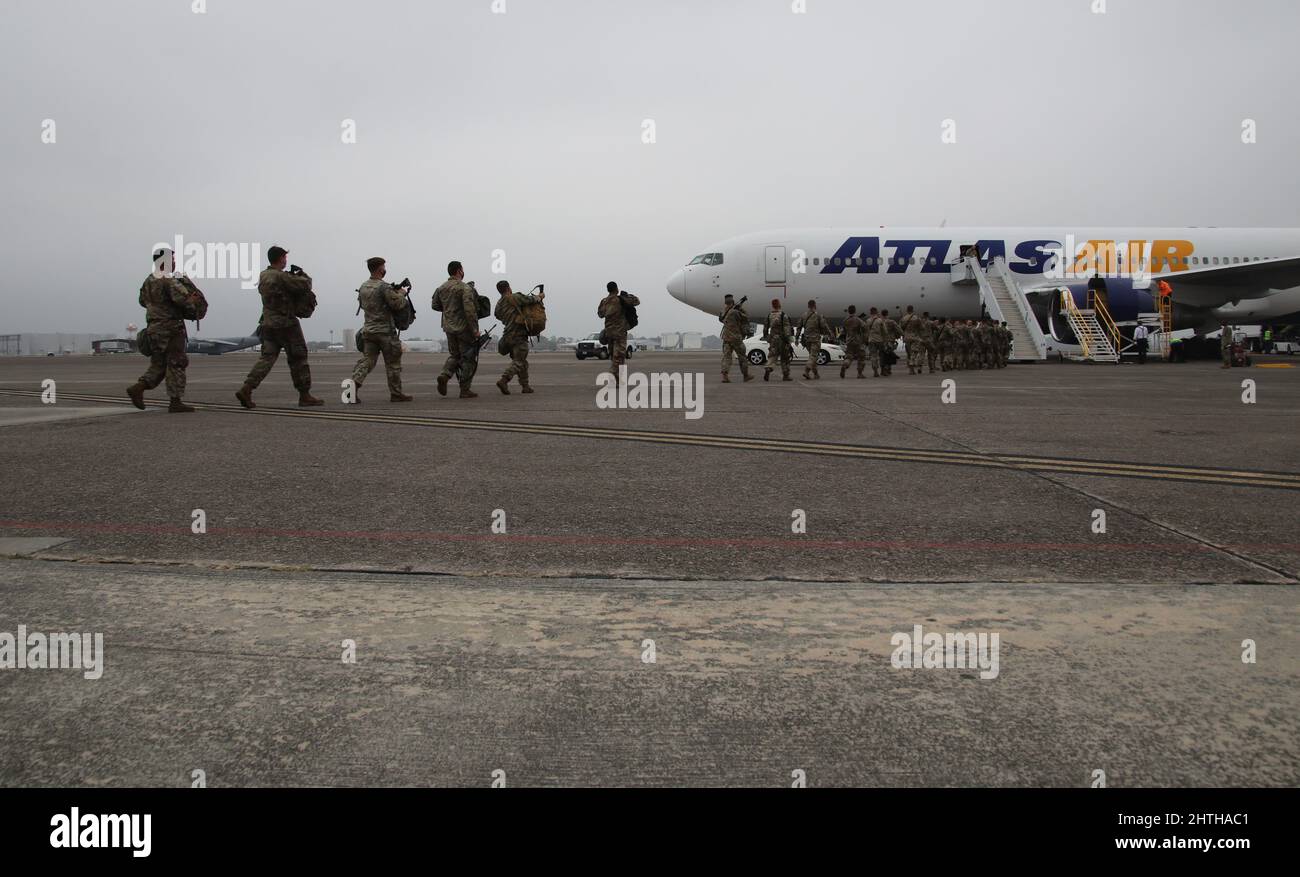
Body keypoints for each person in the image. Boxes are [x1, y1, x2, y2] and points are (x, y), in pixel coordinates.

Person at [236, 245, 322, 409]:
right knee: (298, 359)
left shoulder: (263, 275)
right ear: (281, 258)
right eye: (284, 257)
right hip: (286, 324)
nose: (286, 260)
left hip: (268, 324)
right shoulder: (281, 277)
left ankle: (247, 388)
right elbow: (305, 285)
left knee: (266, 359)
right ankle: (305, 395)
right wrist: (301, 273)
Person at [127, 247, 203, 413]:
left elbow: (142, 301)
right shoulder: (169, 280)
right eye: (173, 260)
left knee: (159, 364)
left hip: (154, 328)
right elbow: (183, 299)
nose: (175, 263)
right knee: (177, 362)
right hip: (170, 329)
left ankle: (138, 388)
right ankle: (175, 401)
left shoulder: (148, 280)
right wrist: (193, 299)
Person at [350, 257, 413, 403]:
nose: (385, 269)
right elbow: (397, 304)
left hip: (369, 330)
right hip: (385, 332)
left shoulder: (363, 286)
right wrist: (402, 294)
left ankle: (354, 383)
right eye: (384, 267)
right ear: (380, 269)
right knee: (393, 363)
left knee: (368, 360)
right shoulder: (384, 287)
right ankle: (396, 394)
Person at [434, 261, 482, 398]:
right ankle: (465, 389)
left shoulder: (441, 288)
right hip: (464, 328)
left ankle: (444, 375)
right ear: (459, 270)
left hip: (448, 327)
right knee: (468, 358)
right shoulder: (464, 288)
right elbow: (470, 310)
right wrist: (475, 329)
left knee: (455, 355)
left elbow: (435, 305)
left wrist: (449, 309)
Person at [494, 280, 543, 394]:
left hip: (507, 336)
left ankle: (525, 386)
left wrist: (508, 319)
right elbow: (530, 299)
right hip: (518, 335)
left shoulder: (499, 304)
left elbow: (497, 315)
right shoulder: (514, 297)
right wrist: (540, 297)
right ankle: (504, 380)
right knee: (519, 361)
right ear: (508, 288)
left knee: (522, 362)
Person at [598, 282, 639, 384]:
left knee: (613, 356)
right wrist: (627, 296)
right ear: (616, 289)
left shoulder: (604, 301)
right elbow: (637, 301)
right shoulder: (620, 299)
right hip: (620, 333)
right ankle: (612, 374)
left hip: (609, 333)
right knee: (619, 357)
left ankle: (617, 381)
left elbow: (600, 314)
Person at [718, 294, 754, 383]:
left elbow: (721, 319)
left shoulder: (723, 312)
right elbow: (746, 317)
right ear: (732, 302)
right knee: (742, 357)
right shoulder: (735, 312)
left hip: (726, 338)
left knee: (727, 357)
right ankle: (746, 375)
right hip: (736, 338)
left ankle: (724, 376)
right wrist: (740, 309)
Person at [797, 299, 833, 380]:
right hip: (815, 339)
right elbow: (824, 326)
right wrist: (830, 334)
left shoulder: (804, 315)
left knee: (812, 356)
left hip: (806, 340)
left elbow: (799, 327)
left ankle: (816, 374)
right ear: (815, 306)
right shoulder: (818, 315)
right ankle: (806, 371)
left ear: (808, 306)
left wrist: (796, 338)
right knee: (813, 356)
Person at [763, 299, 795, 381]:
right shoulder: (783, 315)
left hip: (773, 338)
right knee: (785, 358)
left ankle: (768, 367)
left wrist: (767, 337)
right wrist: (789, 340)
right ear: (779, 305)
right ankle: (786, 375)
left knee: (772, 355)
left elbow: (765, 328)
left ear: (772, 305)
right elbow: (787, 328)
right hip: (783, 339)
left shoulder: (769, 315)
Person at [840, 306, 867, 378]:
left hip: (849, 341)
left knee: (849, 356)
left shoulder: (845, 320)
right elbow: (864, 327)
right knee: (861, 358)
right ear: (855, 311)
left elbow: (843, 331)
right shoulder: (858, 320)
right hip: (858, 341)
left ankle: (845, 365)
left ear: (848, 311)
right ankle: (859, 373)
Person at [899, 305, 925, 375]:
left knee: (909, 353)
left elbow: (900, 328)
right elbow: (922, 328)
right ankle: (911, 363)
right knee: (914, 352)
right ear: (912, 310)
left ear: (907, 310)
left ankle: (911, 370)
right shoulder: (916, 318)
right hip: (914, 337)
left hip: (906, 338)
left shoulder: (903, 318)